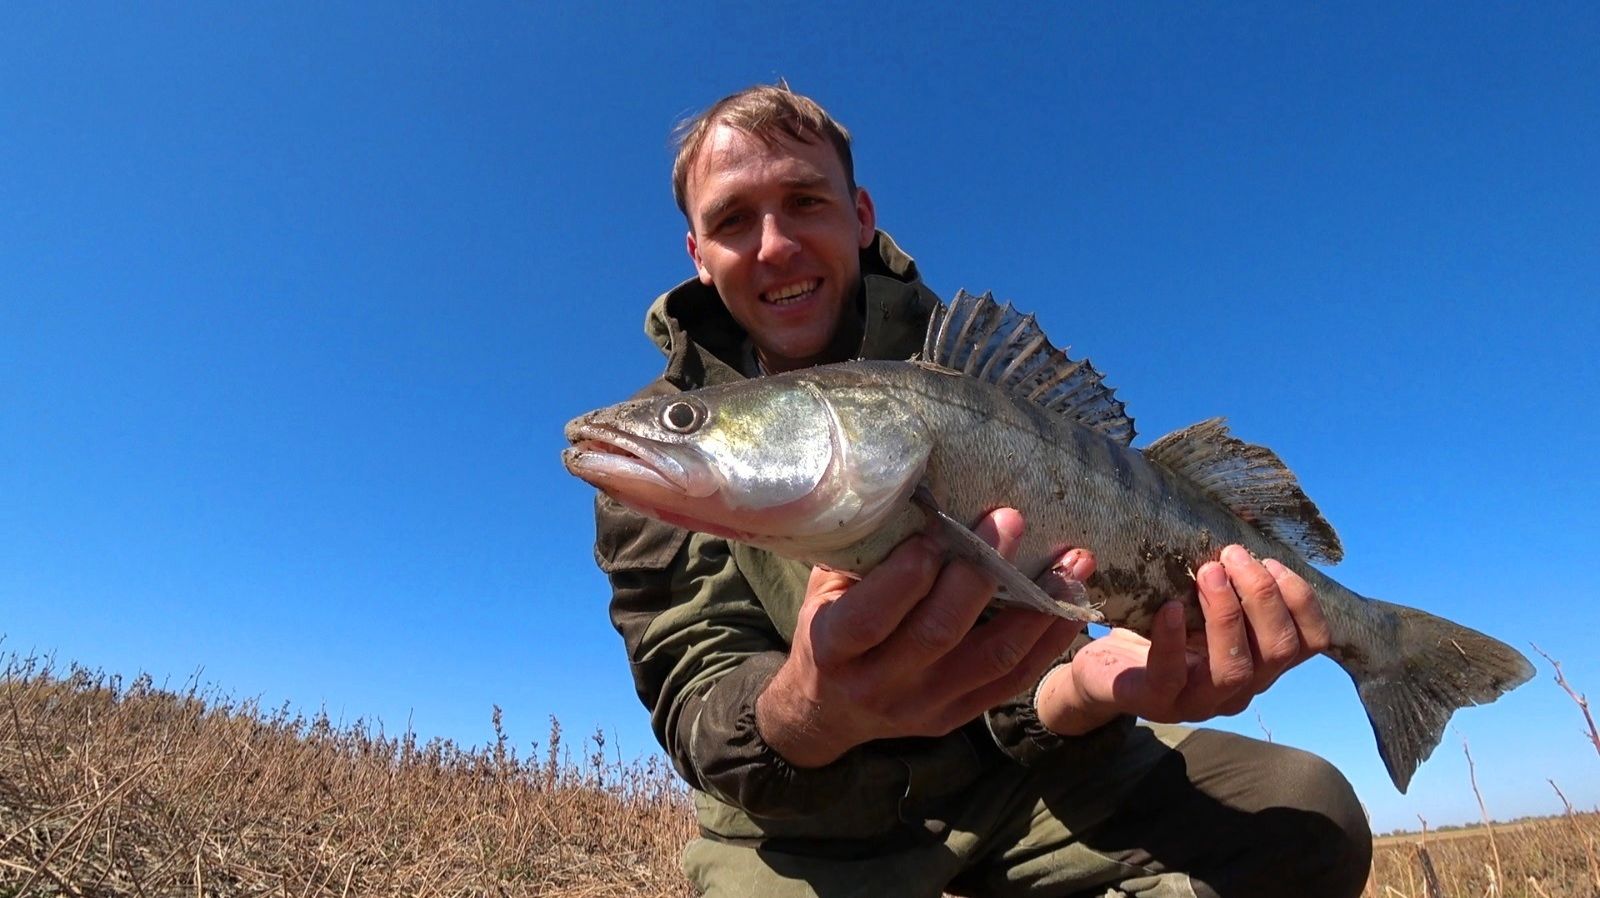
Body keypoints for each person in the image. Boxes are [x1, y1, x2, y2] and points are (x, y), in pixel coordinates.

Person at [589, 83, 1372, 898]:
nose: (775, 245)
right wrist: (810, 707)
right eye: (732, 220)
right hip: (802, 829)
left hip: (1021, 791)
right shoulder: (659, 465)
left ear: (861, 216)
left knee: (1305, 819)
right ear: (697, 254)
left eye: (805, 200)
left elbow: (1047, 664)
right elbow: (695, 701)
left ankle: (1379, 648)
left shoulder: (967, 379)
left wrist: (1084, 688)